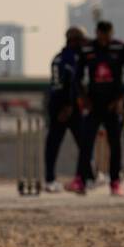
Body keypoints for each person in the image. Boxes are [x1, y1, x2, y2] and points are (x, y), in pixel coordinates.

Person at [70, 21, 124, 196]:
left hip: (113, 104)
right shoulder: (88, 49)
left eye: (108, 35)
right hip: (94, 103)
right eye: (101, 35)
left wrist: (120, 98)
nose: (104, 39)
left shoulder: (120, 48)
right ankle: (80, 180)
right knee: (86, 142)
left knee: (115, 144)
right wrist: (83, 98)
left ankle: (115, 182)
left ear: (112, 34)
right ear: (97, 33)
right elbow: (77, 77)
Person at [44, 26, 87, 192]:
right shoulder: (72, 58)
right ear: (74, 41)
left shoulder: (57, 57)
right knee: (84, 143)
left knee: (53, 144)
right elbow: (70, 82)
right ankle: (84, 178)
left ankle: (50, 179)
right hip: (68, 105)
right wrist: (69, 105)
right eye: (81, 40)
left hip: (56, 103)